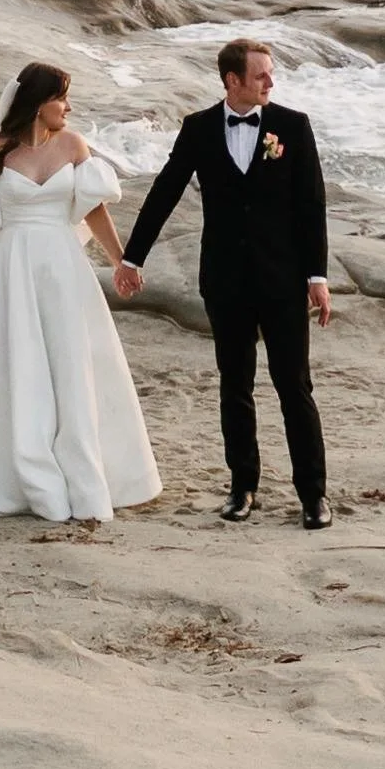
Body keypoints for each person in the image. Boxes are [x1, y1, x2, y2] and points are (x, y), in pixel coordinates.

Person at [0, 57, 162, 531]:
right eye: (61, 96)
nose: (68, 106)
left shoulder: (73, 145)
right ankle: (4, 475)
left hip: (63, 268)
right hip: (11, 269)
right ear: (39, 104)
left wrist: (121, 261)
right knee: (11, 366)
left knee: (71, 364)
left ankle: (82, 475)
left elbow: (94, 209)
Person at [115, 36, 332, 527]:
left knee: (293, 385)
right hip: (226, 281)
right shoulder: (199, 128)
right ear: (232, 80)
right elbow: (165, 191)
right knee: (235, 386)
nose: (270, 83)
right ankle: (243, 488)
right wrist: (132, 258)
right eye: (261, 75)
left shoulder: (292, 127)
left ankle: (313, 496)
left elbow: (311, 205)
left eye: (270, 74)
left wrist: (317, 276)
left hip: (283, 280)